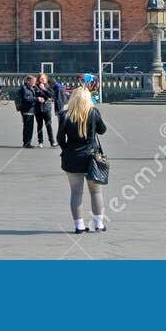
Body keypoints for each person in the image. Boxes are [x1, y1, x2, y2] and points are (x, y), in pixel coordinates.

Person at [57, 85, 108, 233]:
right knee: (96, 192)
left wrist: (67, 150)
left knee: (76, 192)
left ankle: (79, 225)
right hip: (92, 157)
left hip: (72, 158)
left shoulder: (64, 115)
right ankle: (99, 224)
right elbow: (102, 130)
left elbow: (60, 138)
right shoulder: (93, 113)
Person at [15, 74, 39, 147]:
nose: (34, 82)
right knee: (28, 127)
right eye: (33, 81)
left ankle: (27, 142)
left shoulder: (30, 88)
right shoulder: (25, 88)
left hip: (30, 109)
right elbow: (26, 99)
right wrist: (36, 99)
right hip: (27, 110)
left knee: (29, 127)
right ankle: (27, 143)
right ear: (28, 81)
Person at [33, 74, 56, 145]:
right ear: (38, 79)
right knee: (39, 125)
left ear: (46, 79)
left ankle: (52, 142)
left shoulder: (48, 86)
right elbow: (33, 96)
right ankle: (40, 141)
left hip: (46, 109)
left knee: (48, 125)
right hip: (38, 108)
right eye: (41, 78)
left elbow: (52, 95)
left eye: (44, 78)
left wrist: (44, 89)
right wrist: (38, 99)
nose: (42, 80)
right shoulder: (35, 87)